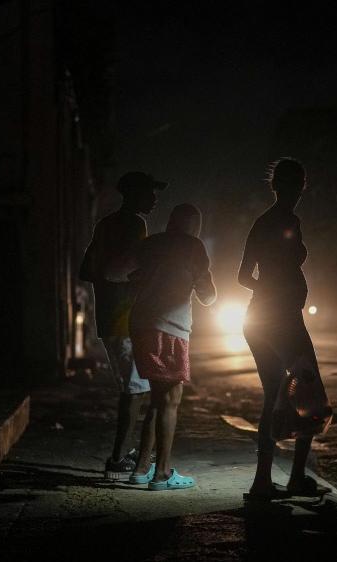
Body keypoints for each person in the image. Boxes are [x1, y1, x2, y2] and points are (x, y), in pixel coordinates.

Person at [237, 157, 330, 499]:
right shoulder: (286, 220)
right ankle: (293, 479)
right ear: (284, 187)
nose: (297, 192)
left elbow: (243, 275)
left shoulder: (263, 222)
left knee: (275, 395)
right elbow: (250, 276)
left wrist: (266, 291)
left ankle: (263, 481)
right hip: (282, 320)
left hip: (260, 319)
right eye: (295, 185)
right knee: (309, 394)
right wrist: (276, 291)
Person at [79, 171, 166, 480]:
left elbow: (87, 270)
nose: (155, 199)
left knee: (133, 388)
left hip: (108, 317)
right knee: (136, 390)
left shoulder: (105, 224)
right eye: (150, 193)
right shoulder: (135, 224)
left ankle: (123, 451)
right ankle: (118, 458)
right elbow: (136, 267)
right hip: (125, 319)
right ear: (134, 195)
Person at [128, 204, 217, 490]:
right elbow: (208, 295)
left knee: (156, 398)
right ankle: (162, 473)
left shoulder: (150, 243)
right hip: (171, 328)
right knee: (171, 400)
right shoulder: (193, 246)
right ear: (194, 227)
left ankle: (141, 468)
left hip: (140, 324)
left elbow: (119, 271)